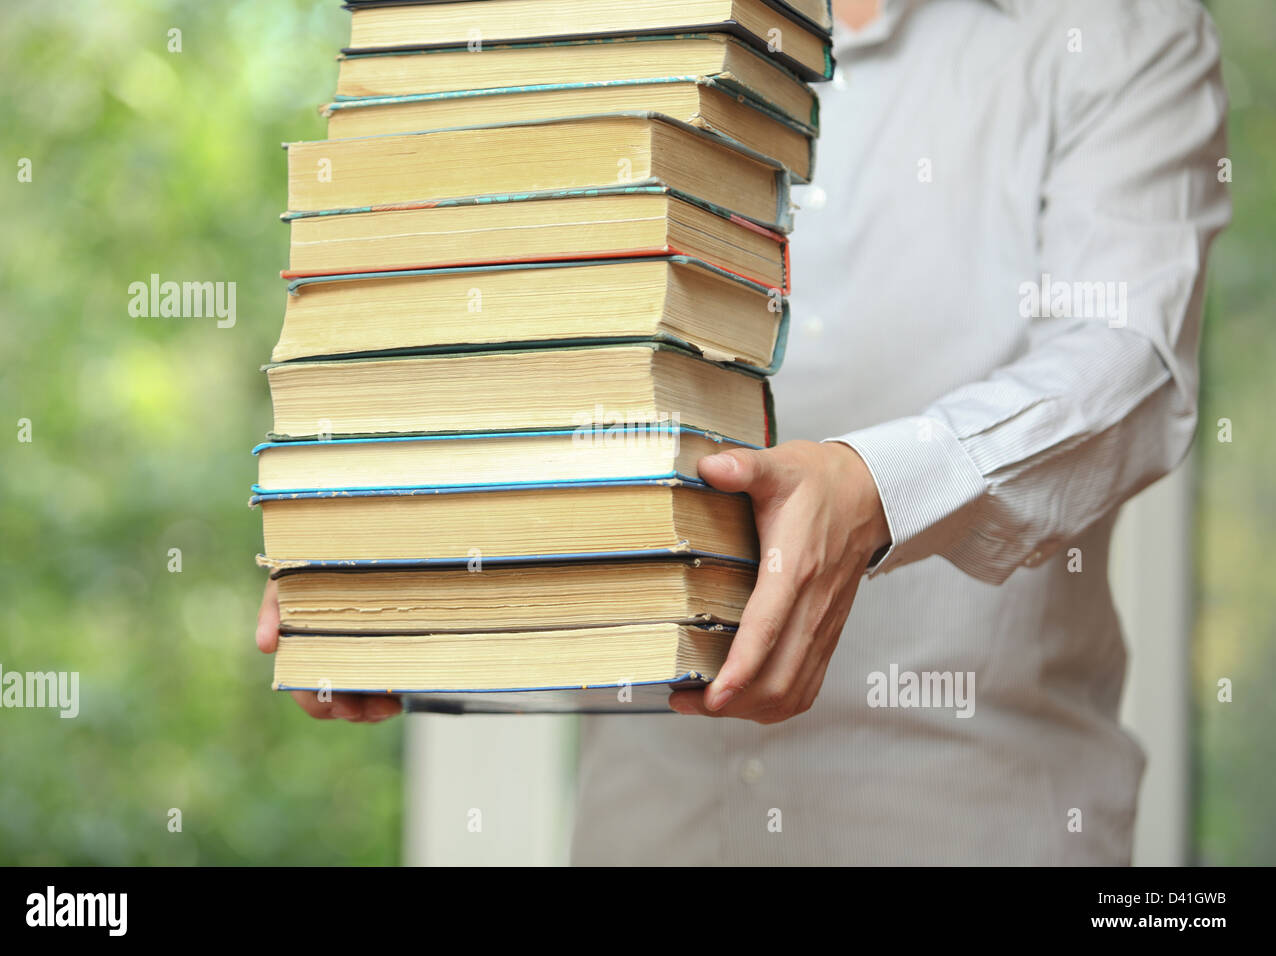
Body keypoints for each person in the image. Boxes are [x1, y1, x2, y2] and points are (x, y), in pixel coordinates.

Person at [256, 0, 1231, 864]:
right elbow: (509, 325)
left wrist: (875, 488)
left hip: (974, 821)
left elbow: (1127, 362)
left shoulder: (1119, 28)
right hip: (647, 825)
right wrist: (377, 542)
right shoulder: (603, 25)